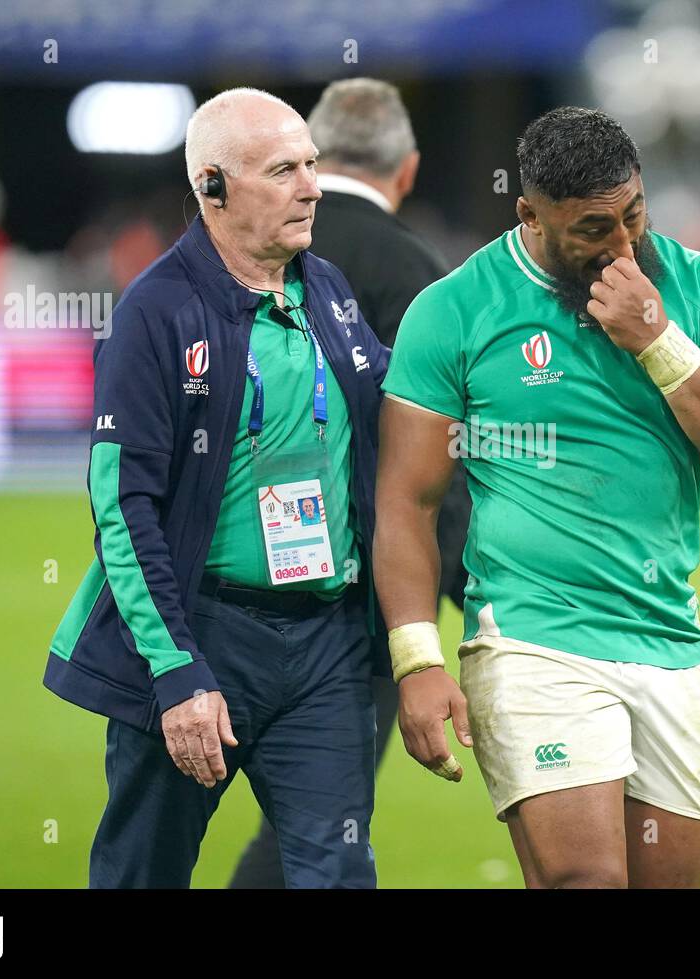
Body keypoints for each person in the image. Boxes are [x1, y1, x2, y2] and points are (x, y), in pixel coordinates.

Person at [373, 107, 700, 888]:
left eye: (635, 215)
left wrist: (657, 338)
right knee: (588, 880)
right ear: (529, 215)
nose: (625, 246)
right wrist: (416, 660)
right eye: (596, 228)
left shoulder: (697, 287)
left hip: (665, 637)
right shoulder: (455, 309)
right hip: (535, 638)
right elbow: (407, 499)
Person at [43, 87, 390, 888]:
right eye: (283, 171)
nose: (312, 186)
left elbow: (395, 413)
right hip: (201, 630)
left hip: (325, 642)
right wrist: (175, 669)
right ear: (213, 187)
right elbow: (121, 508)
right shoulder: (155, 312)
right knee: (142, 873)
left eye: (312, 165)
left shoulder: (328, 291)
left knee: (337, 874)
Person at [227, 77, 467, 889]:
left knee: (159, 826)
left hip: (217, 592)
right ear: (407, 170)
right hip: (361, 605)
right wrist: (478, 594)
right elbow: (440, 460)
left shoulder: (244, 242)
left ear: (316, 160)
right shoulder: (425, 278)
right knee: (320, 831)